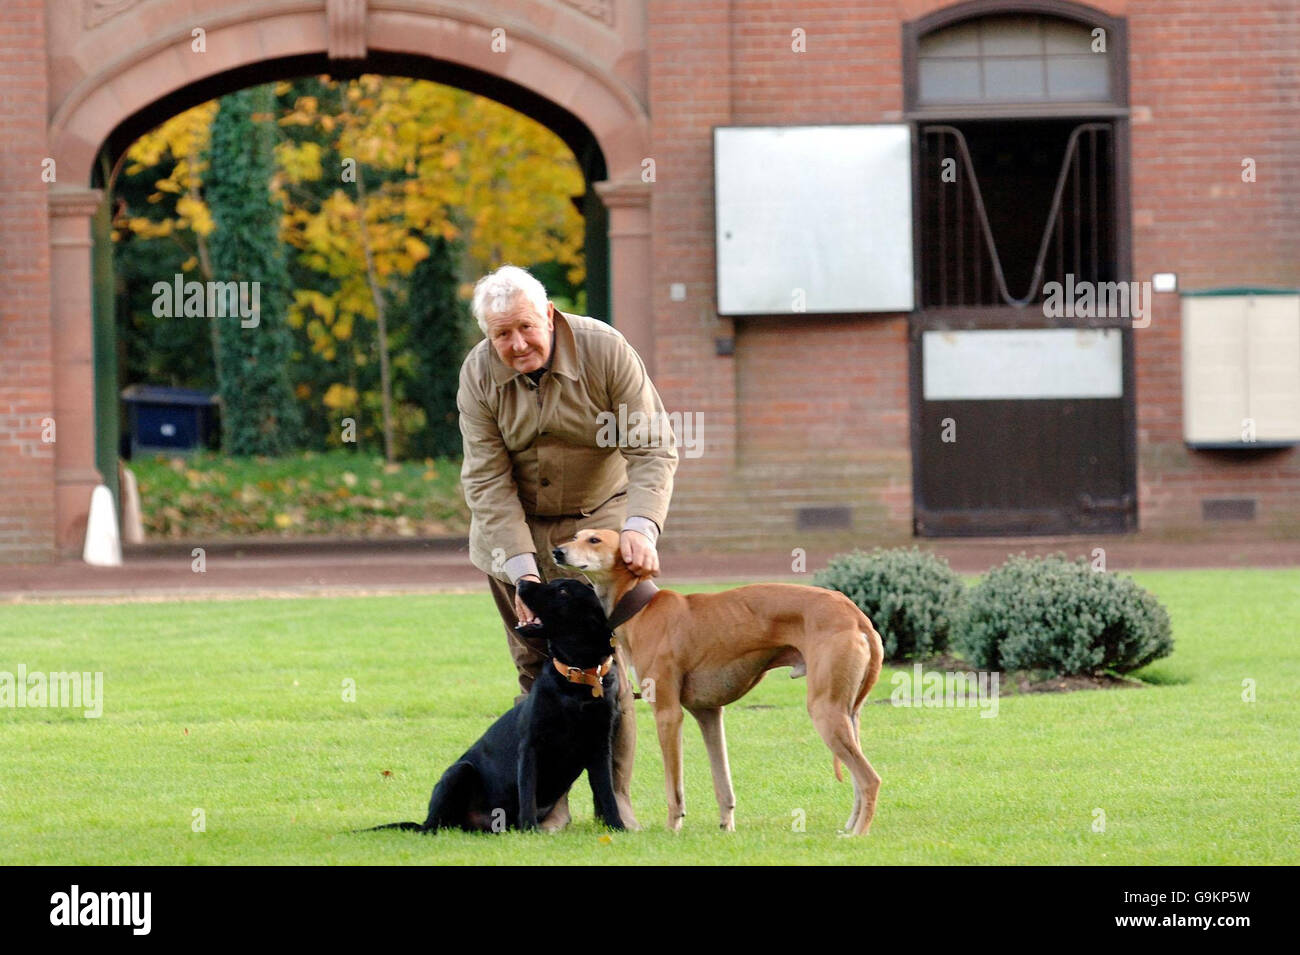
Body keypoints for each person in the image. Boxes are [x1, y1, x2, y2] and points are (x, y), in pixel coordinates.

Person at [456, 265, 677, 830]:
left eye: (526, 327)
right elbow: (486, 481)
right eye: (500, 334)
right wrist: (523, 573)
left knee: (607, 668)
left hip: (599, 521)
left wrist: (641, 527)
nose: (516, 344)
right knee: (537, 666)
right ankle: (548, 804)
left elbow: (651, 449)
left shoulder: (607, 351)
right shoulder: (478, 374)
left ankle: (616, 800)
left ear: (549, 315)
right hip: (516, 530)